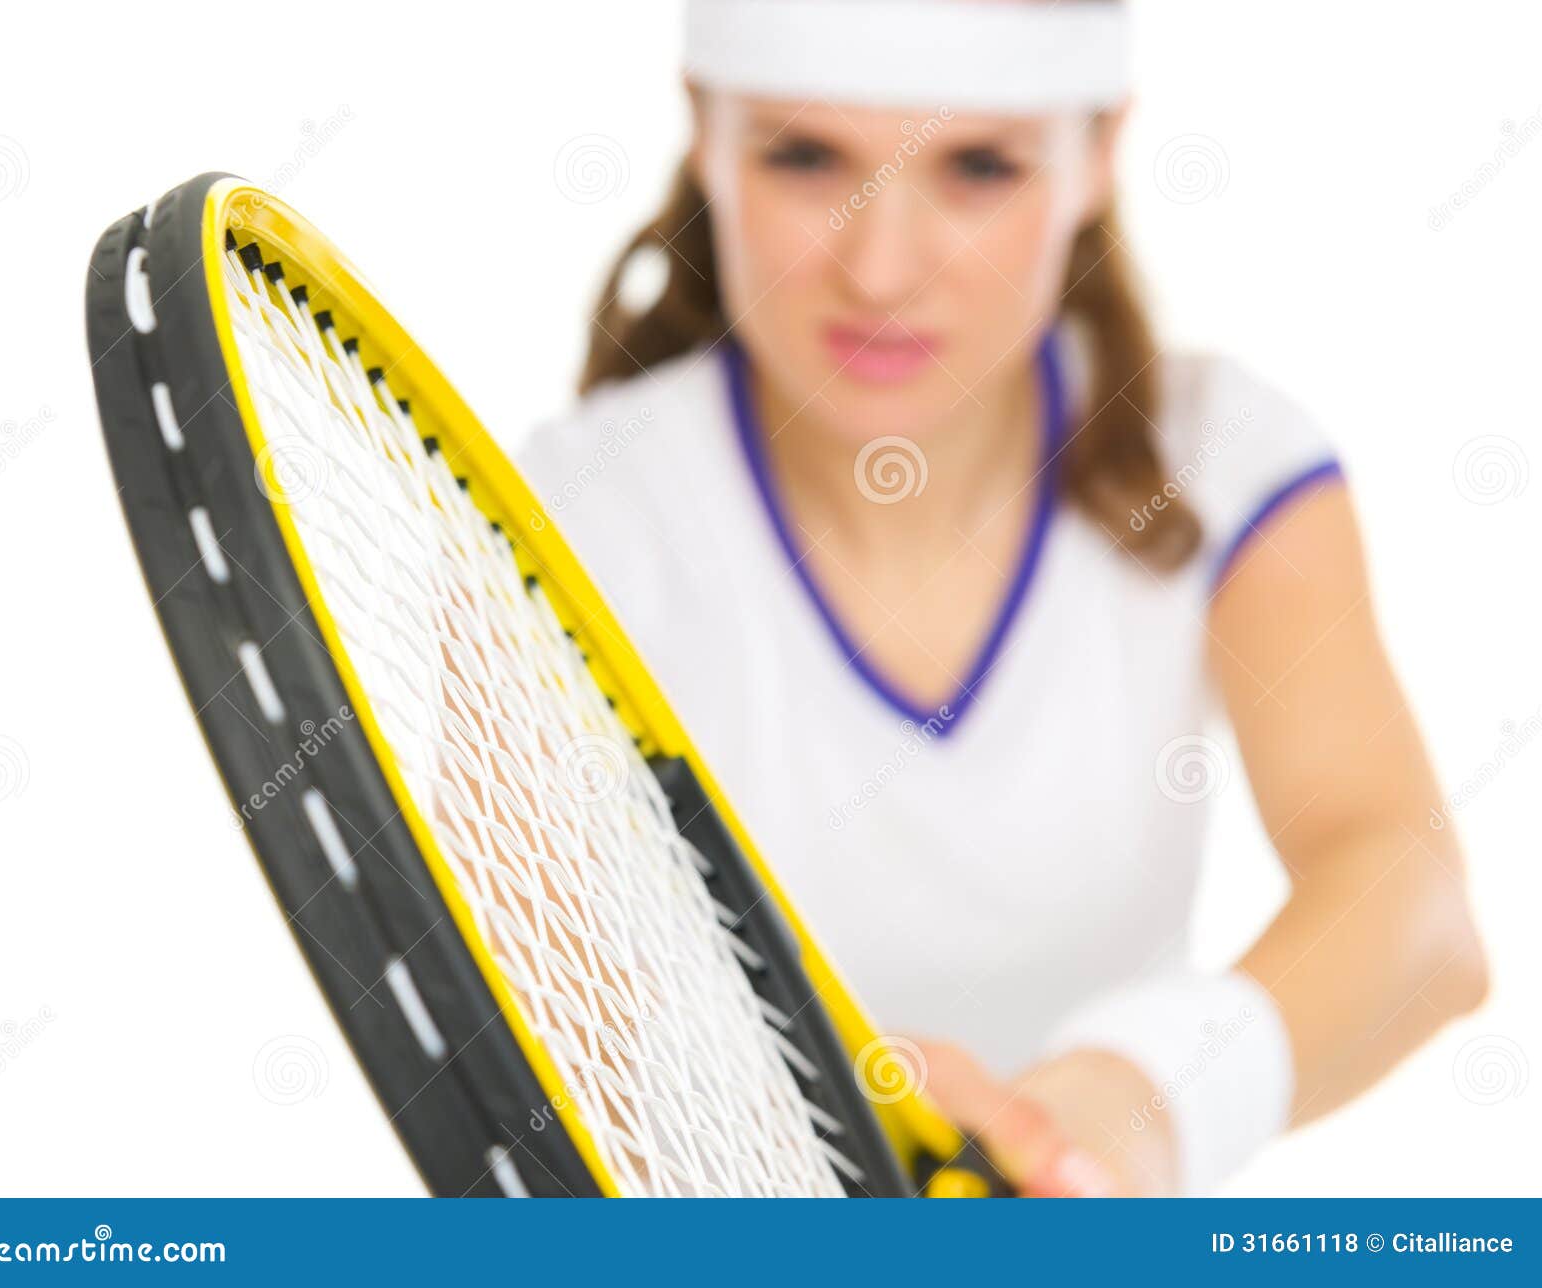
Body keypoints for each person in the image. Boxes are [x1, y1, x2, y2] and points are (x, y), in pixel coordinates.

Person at [519, 0, 1488, 1196]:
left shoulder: (1229, 464)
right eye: (805, 157)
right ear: (703, 135)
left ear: (1098, 156)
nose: (879, 268)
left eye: (978, 168)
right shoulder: (557, 523)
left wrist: (1122, 1107)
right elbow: (546, 1037)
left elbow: (1418, 914)